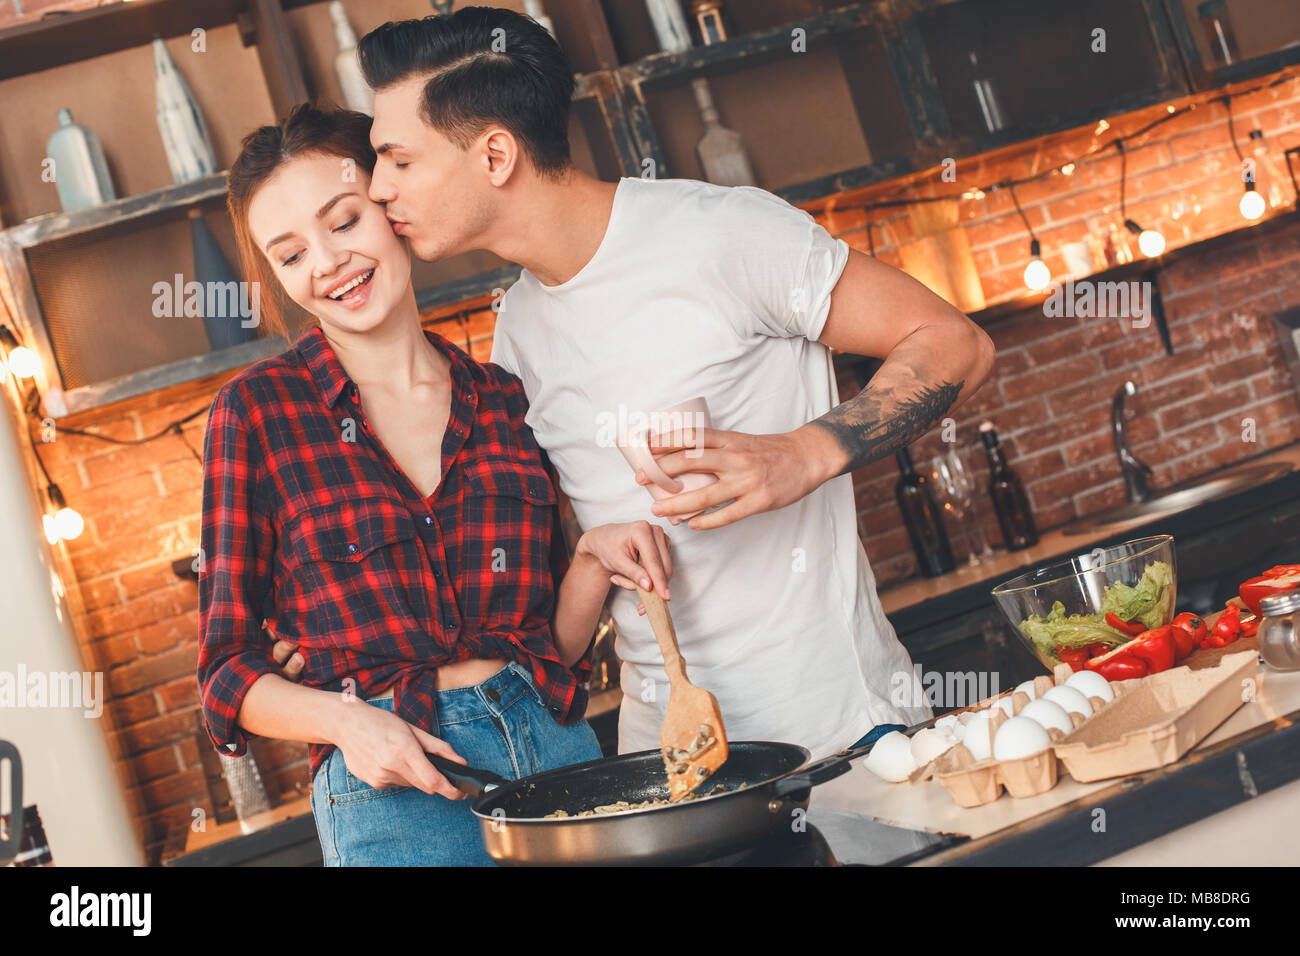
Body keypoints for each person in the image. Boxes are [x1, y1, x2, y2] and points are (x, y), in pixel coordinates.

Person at [346, 7, 998, 760]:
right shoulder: (517, 328)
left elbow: (955, 342)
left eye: (398, 159)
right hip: (667, 763)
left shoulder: (721, 235)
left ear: (495, 155)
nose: (378, 188)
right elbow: (549, 578)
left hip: (843, 734)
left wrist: (804, 452)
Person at [196, 104, 673, 866]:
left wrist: (592, 562)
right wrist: (346, 724)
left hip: (558, 758)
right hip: (394, 791)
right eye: (289, 256)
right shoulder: (256, 416)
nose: (326, 264)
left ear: (391, 208)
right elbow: (226, 673)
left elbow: (549, 648)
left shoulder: (506, 396)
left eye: (344, 221)